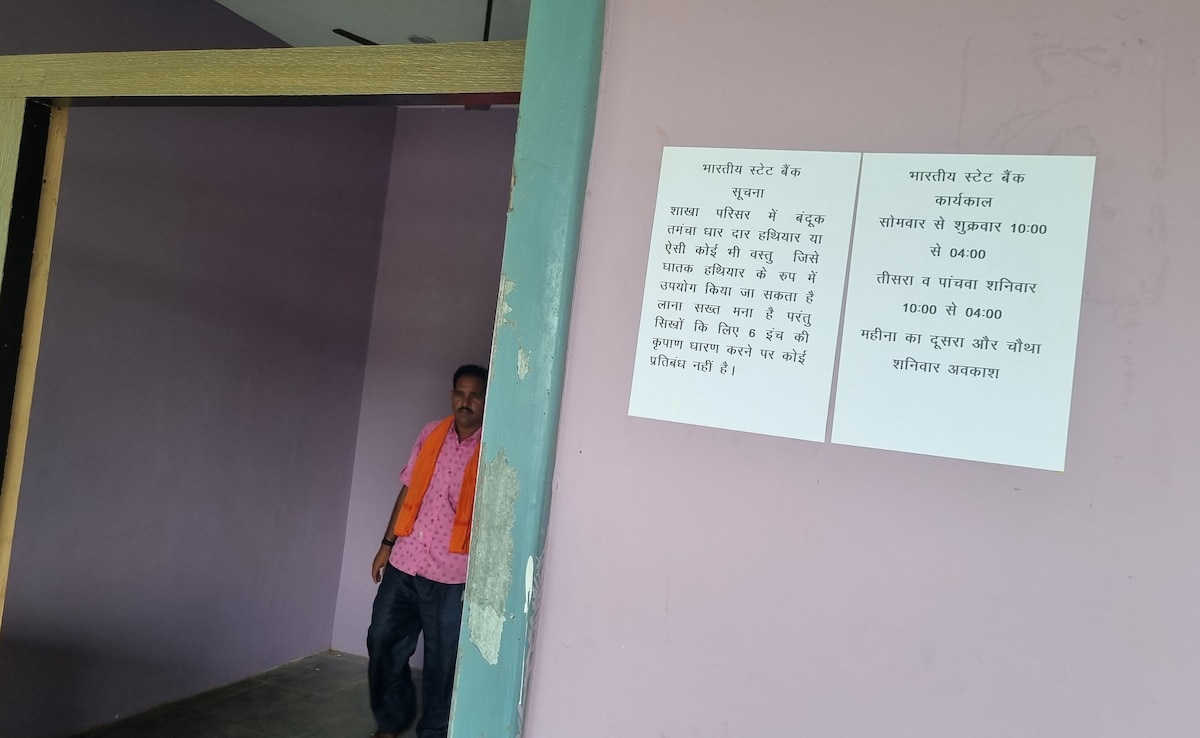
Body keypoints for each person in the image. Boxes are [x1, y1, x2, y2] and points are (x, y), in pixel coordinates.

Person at [367, 364, 487, 738]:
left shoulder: (493, 447)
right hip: (406, 562)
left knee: (443, 663)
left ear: (486, 400)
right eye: (460, 393)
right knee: (382, 640)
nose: (465, 401)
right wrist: (386, 544)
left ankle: (433, 732)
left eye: (475, 395)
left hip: (452, 575)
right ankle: (391, 720)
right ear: (452, 395)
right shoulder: (430, 433)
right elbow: (408, 489)